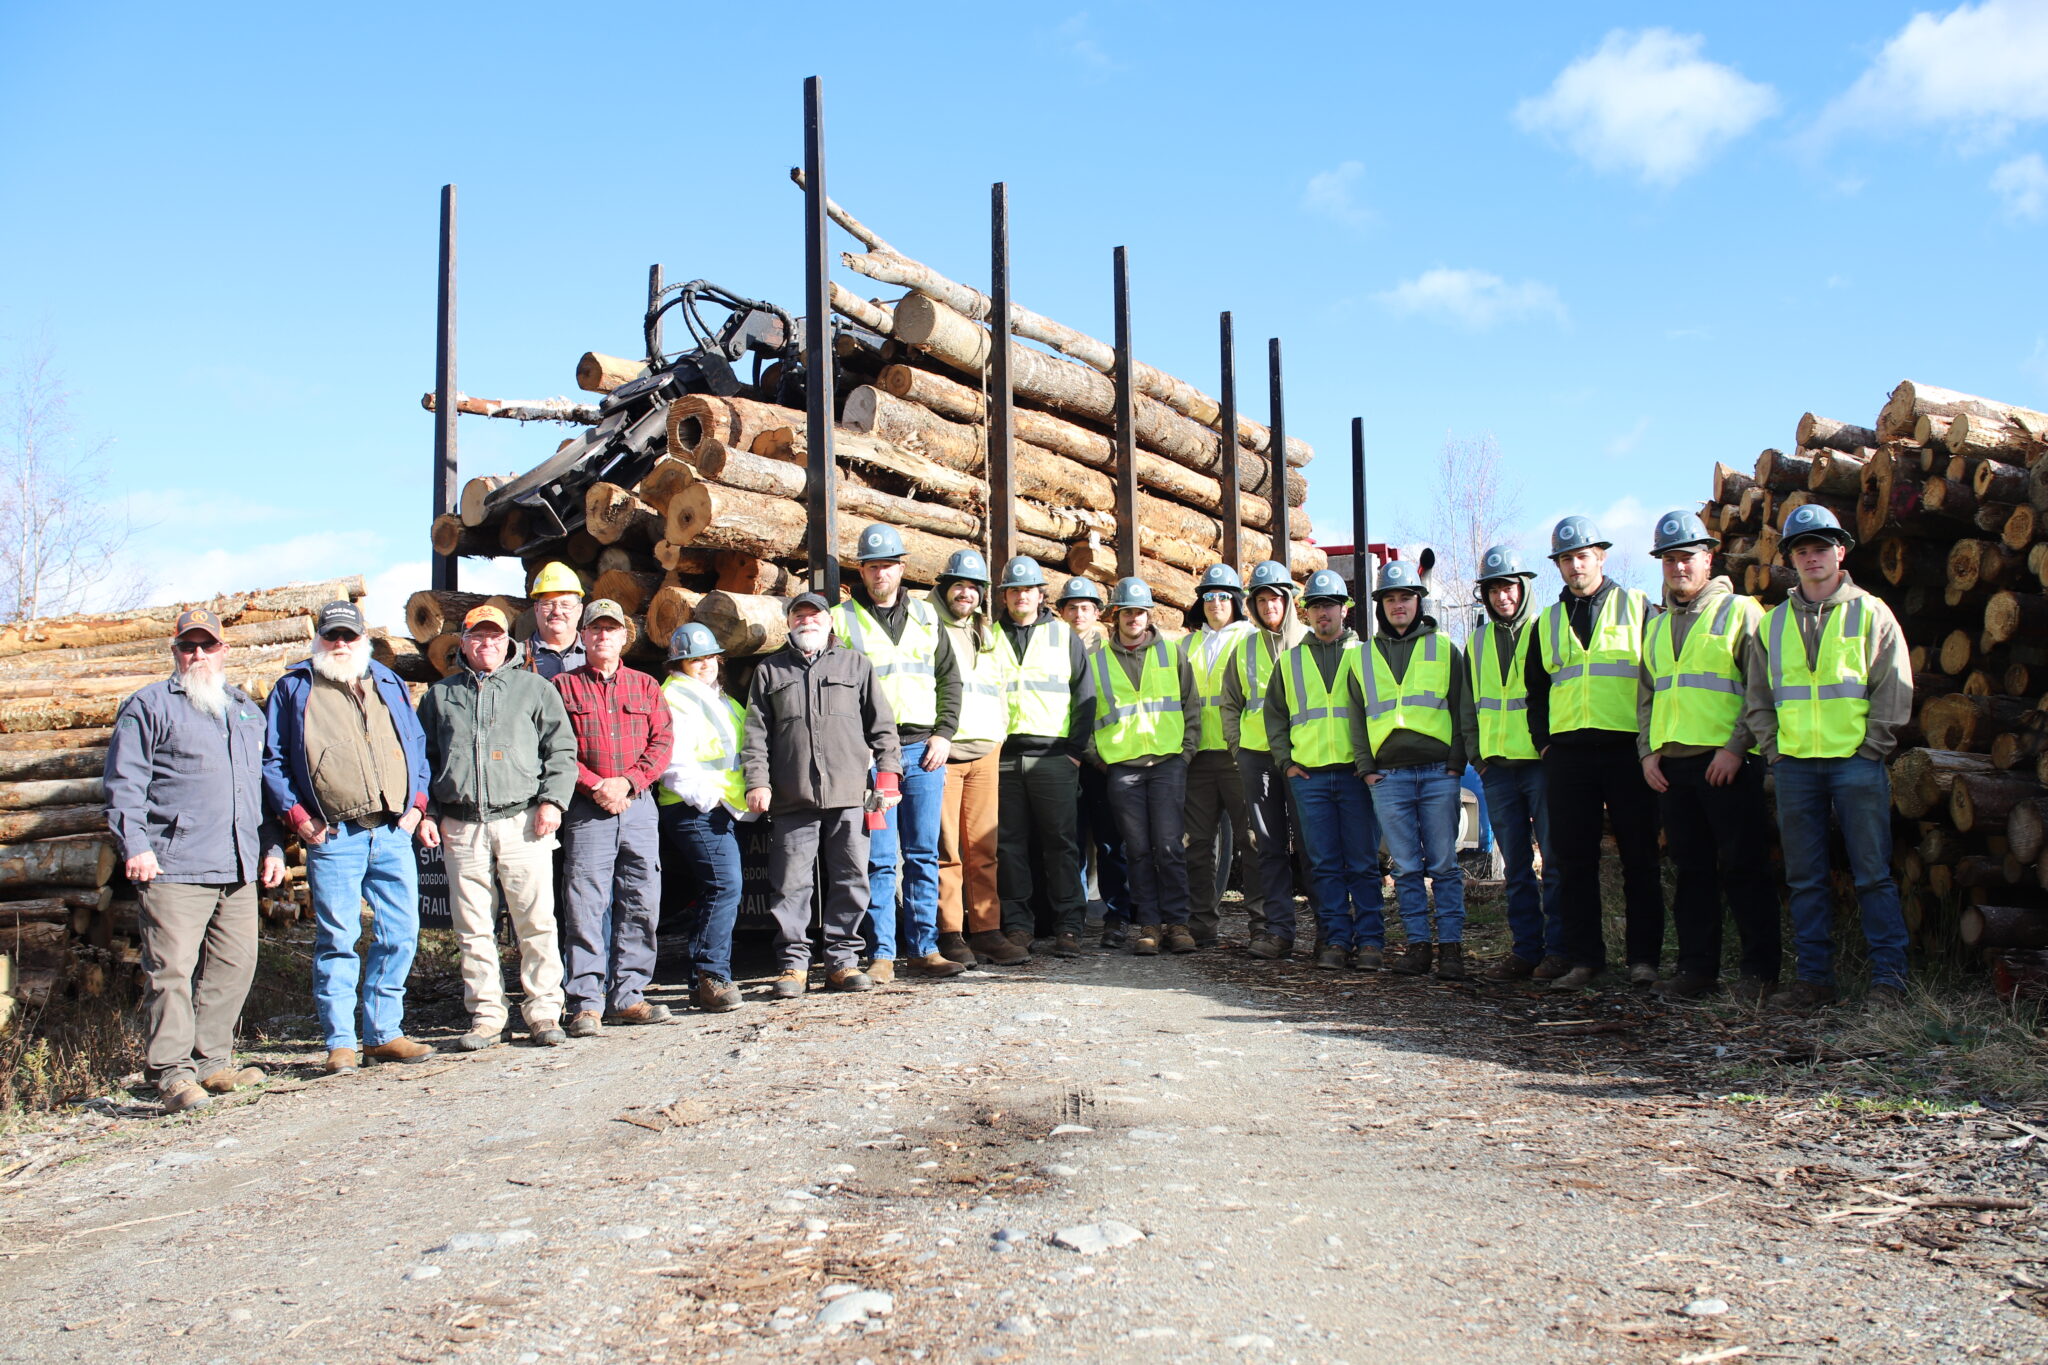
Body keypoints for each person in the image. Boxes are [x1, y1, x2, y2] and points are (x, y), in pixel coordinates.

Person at [104, 608, 286, 1114]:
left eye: (208, 645)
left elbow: (261, 791)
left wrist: (272, 847)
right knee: (171, 971)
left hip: (238, 864)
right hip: (173, 863)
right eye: (189, 646)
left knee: (234, 965)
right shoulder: (149, 706)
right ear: (176, 651)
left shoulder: (245, 710)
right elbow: (124, 784)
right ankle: (171, 1074)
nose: (198, 655)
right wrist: (134, 845)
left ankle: (212, 1062)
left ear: (224, 651)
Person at [1743, 504, 1913, 1010]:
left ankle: (1889, 981)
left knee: (1873, 875)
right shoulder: (1772, 624)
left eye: (1821, 547)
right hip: (1795, 767)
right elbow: (1758, 698)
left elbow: (1893, 686)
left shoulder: (1872, 613)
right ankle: (1814, 981)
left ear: (1840, 552)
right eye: (1802, 550)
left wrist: (1872, 748)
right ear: (1790, 559)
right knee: (1805, 880)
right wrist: (1775, 751)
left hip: (1856, 764)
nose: (1812, 557)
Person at [262, 599, 434, 1075]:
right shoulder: (295, 687)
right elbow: (273, 760)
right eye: (331, 635)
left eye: (349, 636)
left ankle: (383, 1034)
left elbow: (416, 746)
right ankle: (340, 1043)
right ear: (318, 638)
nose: (340, 643)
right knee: (338, 938)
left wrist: (418, 804)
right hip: (335, 835)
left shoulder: (387, 680)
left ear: (363, 639)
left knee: (400, 933)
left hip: (392, 831)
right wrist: (297, 816)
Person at [416, 605, 579, 1050]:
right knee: (472, 927)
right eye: (477, 636)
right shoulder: (439, 696)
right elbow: (423, 760)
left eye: (494, 636)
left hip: (523, 820)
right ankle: (487, 1015)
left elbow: (561, 750)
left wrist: (553, 801)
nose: (486, 643)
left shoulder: (534, 688)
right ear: (463, 642)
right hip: (461, 824)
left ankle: (544, 1010)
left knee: (536, 922)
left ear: (508, 642)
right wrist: (428, 812)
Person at [1638, 512, 1781, 1002]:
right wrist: (1648, 753)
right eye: (1669, 559)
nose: (1678, 567)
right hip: (1673, 768)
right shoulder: (1657, 626)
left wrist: (1736, 748)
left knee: (1745, 868)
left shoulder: (1742, 611)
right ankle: (1696, 970)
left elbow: (1761, 690)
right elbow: (1647, 697)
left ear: (1708, 559)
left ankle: (1759, 973)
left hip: (1728, 765)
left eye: (1687, 558)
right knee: (1691, 873)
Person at [1526, 516, 1664, 991]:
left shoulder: (1639, 607)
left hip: (1628, 750)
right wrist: (1544, 743)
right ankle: (1585, 960)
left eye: (1582, 556)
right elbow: (1536, 691)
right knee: (1572, 861)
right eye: (1565, 559)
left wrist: (1651, 744)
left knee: (1640, 859)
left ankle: (1643, 960)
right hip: (1568, 756)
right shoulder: (1547, 622)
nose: (1575, 565)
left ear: (1600, 556)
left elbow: (1659, 678)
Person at [743, 592, 903, 997]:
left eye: (814, 615)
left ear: (829, 622)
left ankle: (842, 962)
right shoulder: (769, 670)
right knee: (789, 885)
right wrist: (757, 781)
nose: (807, 621)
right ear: (789, 623)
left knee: (851, 878)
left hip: (849, 794)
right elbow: (755, 734)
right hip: (792, 796)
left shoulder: (856, 665)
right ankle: (793, 966)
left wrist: (887, 778)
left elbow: (882, 727)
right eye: (799, 616)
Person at [833, 525, 966, 983]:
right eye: (872, 566)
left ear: (902, 568)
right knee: (880, 859)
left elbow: (949, 679)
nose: (880, 574)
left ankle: (925, 949)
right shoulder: (840, 620)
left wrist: (944, 734)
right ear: (861, 571)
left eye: (888, 565)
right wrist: (856, 748)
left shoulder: (928, 616)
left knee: (924, 853)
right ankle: (883, 953)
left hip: (924, 753)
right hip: (873, 760)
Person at [553, 599, 675, 1036]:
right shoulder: (561, 687)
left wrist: (628, 782)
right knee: (585, 905)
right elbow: (555, 749)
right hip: (586, 810)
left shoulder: (646, 685)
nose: (603, 636)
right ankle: (585, 1003)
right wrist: (596, 786)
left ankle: (628, 996)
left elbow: (663, 742)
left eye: (611, 629)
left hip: (637, 805)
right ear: (583, 636)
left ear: (625, 636)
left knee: (641, 900)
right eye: (595, 629)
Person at [1352, 560, 1476, 979]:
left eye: (1405, 597)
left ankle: (1452, 950)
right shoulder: (1363, 656)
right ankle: (1418, 947)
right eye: (1390, 599)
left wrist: (1456, 764)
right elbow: (1356, 717)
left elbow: (1461, 708)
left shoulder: (1444, 648)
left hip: (1439, 773)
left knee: (1443, 865)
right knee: (1405, 868)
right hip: (1389, 778)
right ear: (1380, 606)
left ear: (1418, 601)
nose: (1398, 605)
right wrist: (1367, 769)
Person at [1268, 569, 1382, 969]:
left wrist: (1371, 765)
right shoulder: (1290, 661)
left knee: (1363, 862)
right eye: (1315, 607)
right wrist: (1286, 762)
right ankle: (1335, 940)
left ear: (1344, 610)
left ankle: (1370, 942)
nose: (1322, 613)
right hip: (1310, 777)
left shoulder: (1366, 654)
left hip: (1355, 775)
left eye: (1329, 605)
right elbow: (1275, 716)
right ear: (1307, 612)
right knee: (1324, 864)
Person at [1467, 546, 1567, 983]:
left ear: (1523, 588)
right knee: (1516, 867)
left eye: (1508, 587)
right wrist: (1479, 759)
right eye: (1493, 590)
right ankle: (1526, 950)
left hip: (1540, 766)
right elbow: (1468, 705)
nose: (1501, 596)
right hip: (1497, 770)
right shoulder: (1477, 641)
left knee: (1556, 862)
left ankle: (1559, 951)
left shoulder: (1546, 630)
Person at [1087, 577, 1199, 955]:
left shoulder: (1171, 654)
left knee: (1169, 847)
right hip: (1123, 769)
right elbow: (1084, 716)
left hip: (1168, 764)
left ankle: (1177, 924)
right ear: (1115, 616)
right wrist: (1100, 759)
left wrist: (1185, 753)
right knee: (1136, 850)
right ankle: (1148, 926)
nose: (1133, 618)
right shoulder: (1097, 662)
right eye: (1126, 612)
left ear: (1149, 615)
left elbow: (1190, 704)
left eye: (1139, 611)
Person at [992, 558, 1093, 961]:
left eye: (1028, 590)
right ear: (1004, 596)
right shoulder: (989, 636)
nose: (1021, 596)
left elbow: (1085, 696)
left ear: (1040, 595)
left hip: (1054, 757)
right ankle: (1018, 926)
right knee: (1008, 846)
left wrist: (1073, 752)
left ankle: (1069, 926)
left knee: (1061, 844)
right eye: (1014, 590)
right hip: (1003, 757)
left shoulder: (1062, 636)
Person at [655, 623, 753, 1013]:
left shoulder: (721, 699)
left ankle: (700, 981)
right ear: (678, 664)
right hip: (695, 807)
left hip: (726, 808)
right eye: (695, 659)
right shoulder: (673, 697)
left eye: (710, 657)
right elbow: (673, 762)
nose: (705, 664)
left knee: (710, 889)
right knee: (724, 885)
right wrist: (709, 800)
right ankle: (713, 976)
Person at [1220, 559, 1314, 960]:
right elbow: (1230, 702)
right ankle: (1278, 932)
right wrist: (1238, 748)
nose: (1269, 605)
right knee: (1268, 848)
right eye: (1261, 599)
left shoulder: (1310, 642)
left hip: (1306, 758)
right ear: (1253, 606)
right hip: (1258, 759)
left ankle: (1329, 933)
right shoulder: (1244, 649)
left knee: (1312, 847)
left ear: (1288, 600)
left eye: (1275, 598)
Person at [930, 550, 1011, 962]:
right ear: (945, 588)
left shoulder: (987, 630)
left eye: (973, 588)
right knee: (946, 851)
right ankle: (950, 933)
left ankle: (986, 930)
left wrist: (1000, 733)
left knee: (983, 848)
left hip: (985, 751)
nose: (966, 594)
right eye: (959, 586)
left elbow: (1001, 686)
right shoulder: (927, 625)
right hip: (945, 752)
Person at [1181, 564, 1260, 949]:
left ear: (1237, 601)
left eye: (1224, 596)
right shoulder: (1186, 646)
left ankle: (1262, 925)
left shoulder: (1251, 640)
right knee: (1196, 845)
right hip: (1198, 757)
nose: (1215, 603)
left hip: (1238, 756)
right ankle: (1201, 924)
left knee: (1252, 841)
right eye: (1209, 596)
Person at [1054, 577, 1130, 947]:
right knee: (1068, 842)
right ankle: (1073, 918)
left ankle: (1117, 916)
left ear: (1098, 613)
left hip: (1101, 762)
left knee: (1110, 842)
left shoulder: (1110, 653)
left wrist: (1102, 756)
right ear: (1061, 612)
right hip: (1063, 759)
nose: (1078, 614)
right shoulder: (1052, 648)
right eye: (1072, 607)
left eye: (1086, 607)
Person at [524, 561, 588, 680]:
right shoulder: (516, 658)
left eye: (565, 605)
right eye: (548, 604)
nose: (557, 611)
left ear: (579, 610)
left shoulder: (595, 656)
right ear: (536, 609)